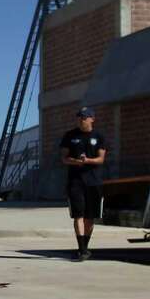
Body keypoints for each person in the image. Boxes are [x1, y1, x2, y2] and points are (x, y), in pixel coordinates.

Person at [59, 107, 106, 261]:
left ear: (92, 119)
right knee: (78, 214)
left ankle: (86, 246)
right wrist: (76, 161)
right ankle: (82, 249)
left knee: (90, 216)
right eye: (79, 117)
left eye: (84, 117)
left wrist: (88, 161)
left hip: (94, 181)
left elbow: (101, 159)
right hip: (75, 181)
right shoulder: (70, 136)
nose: (81, 119)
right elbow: (64, 158)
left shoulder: (98, 137)